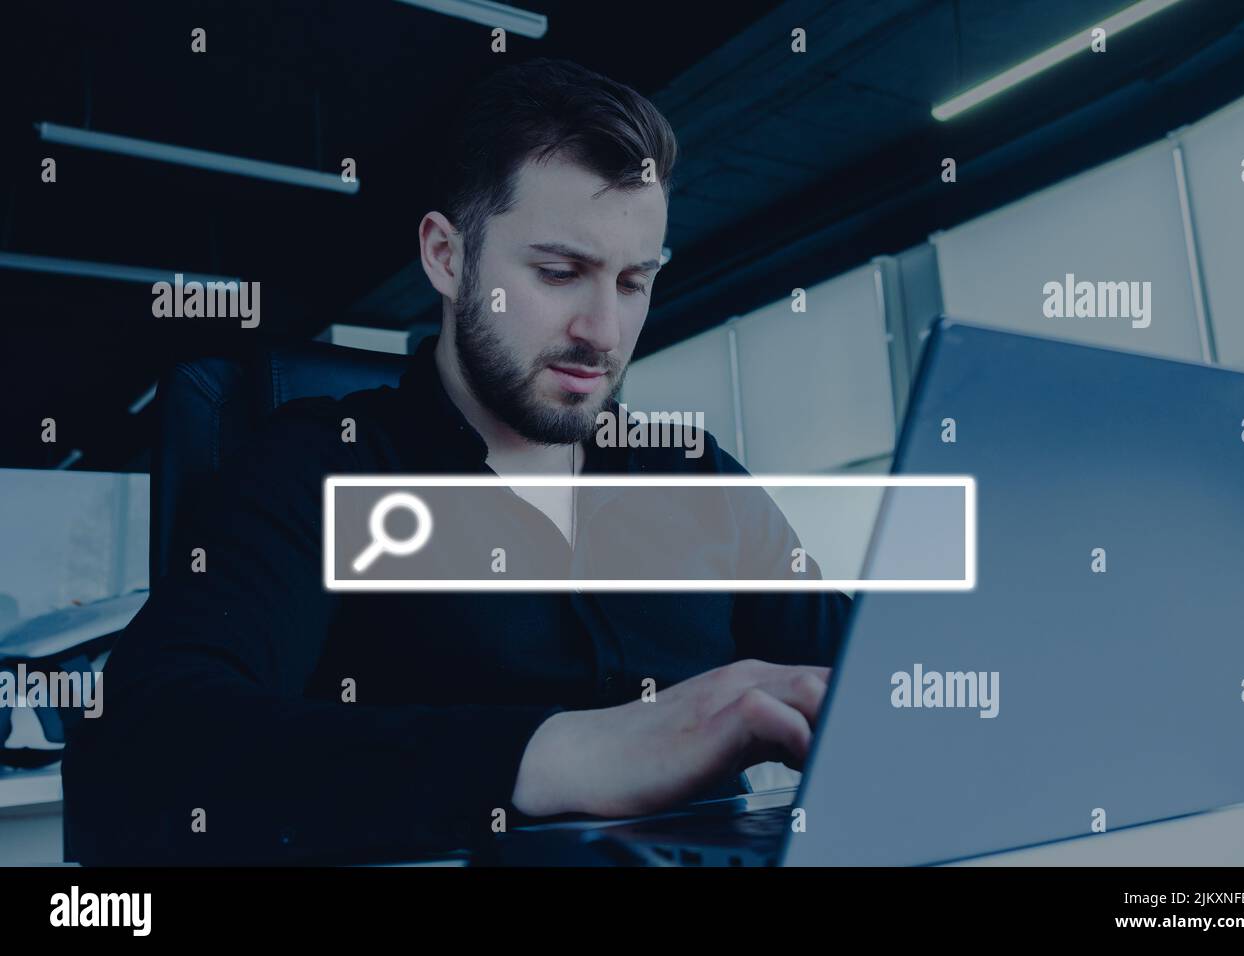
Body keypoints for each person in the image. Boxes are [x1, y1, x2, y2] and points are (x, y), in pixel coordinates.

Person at [62, 58, 850, 864]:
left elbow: (876, 676)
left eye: (634, 281)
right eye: (558, 272)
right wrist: (559, 754)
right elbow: (138, 753)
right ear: (446, 257)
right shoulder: (327, 468)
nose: (604, 332)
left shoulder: (693, 474)